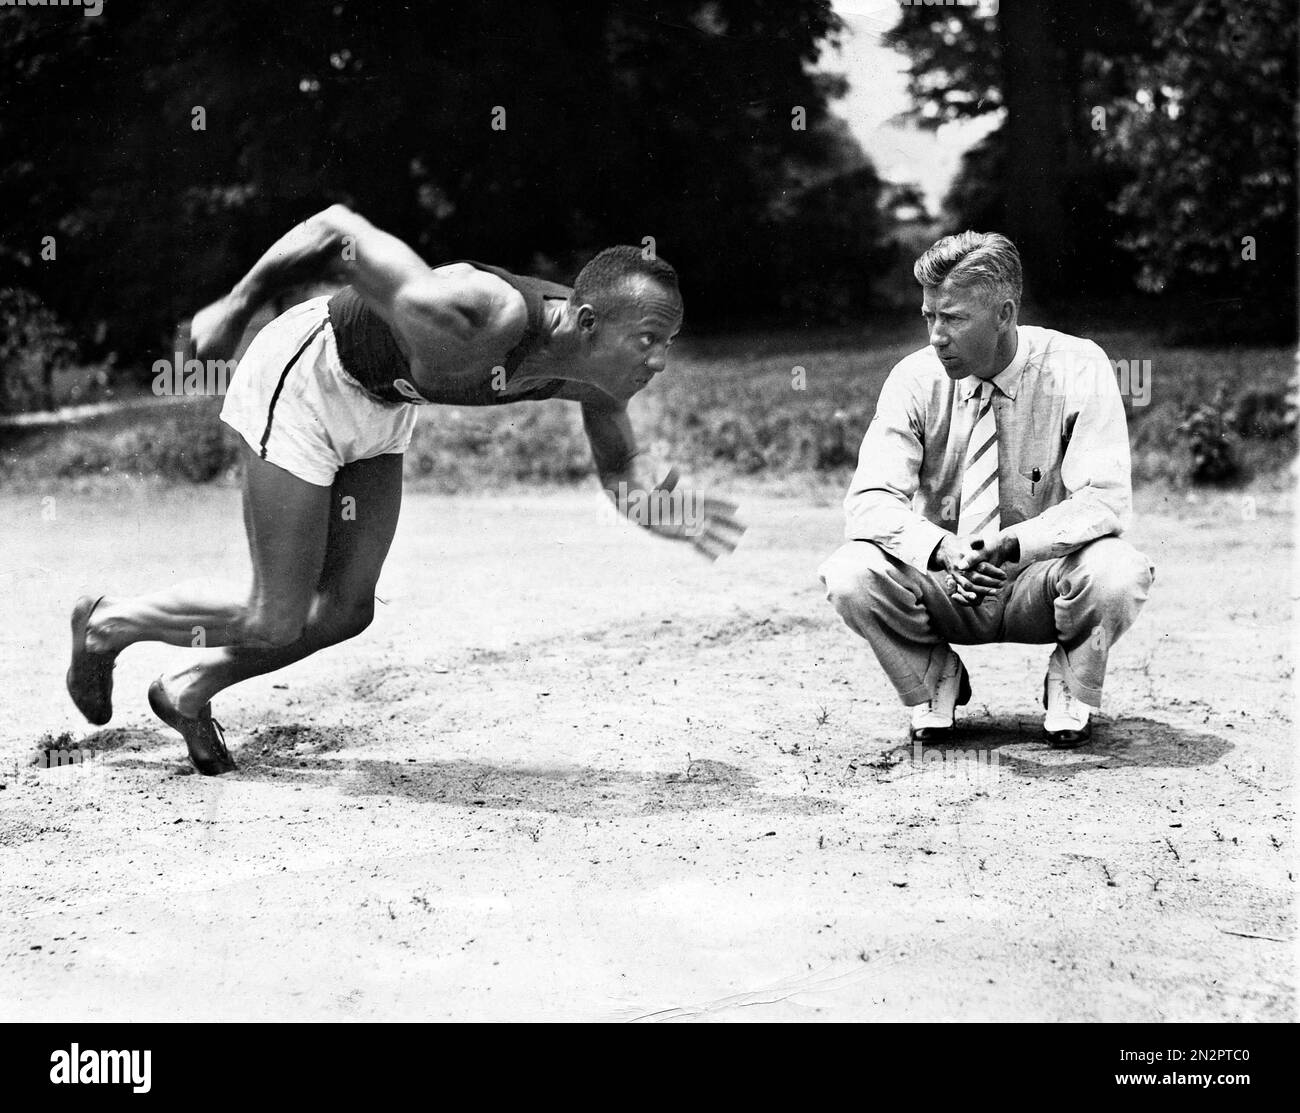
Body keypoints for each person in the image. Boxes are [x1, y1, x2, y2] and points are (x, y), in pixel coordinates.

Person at [66, 205, 744, 773]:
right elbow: (337, 231)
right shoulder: (484, 312)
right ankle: (107, 623)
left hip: (382, 406)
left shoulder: (591, 377)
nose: (659, 360)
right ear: (588, 321)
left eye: (669, 342)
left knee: (345, 610)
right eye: (649, 339)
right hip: (306, 374)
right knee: (277, 613)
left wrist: (655, 507)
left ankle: (186, 687)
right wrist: (236, 304)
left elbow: (621, 468)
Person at [818, 231, 1154, 746]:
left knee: (1119, 571)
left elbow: (1104, 499)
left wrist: (1016, 544)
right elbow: (870, 502)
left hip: (1039, 579)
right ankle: (934, 677)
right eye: (929, 316)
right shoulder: (913, 378)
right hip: (945, 580)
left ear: (1004, 313)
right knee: (849, 573)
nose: (936, 336)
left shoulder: (1079, 366)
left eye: (953, 318)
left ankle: (1071, 675)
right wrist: (941, 548)